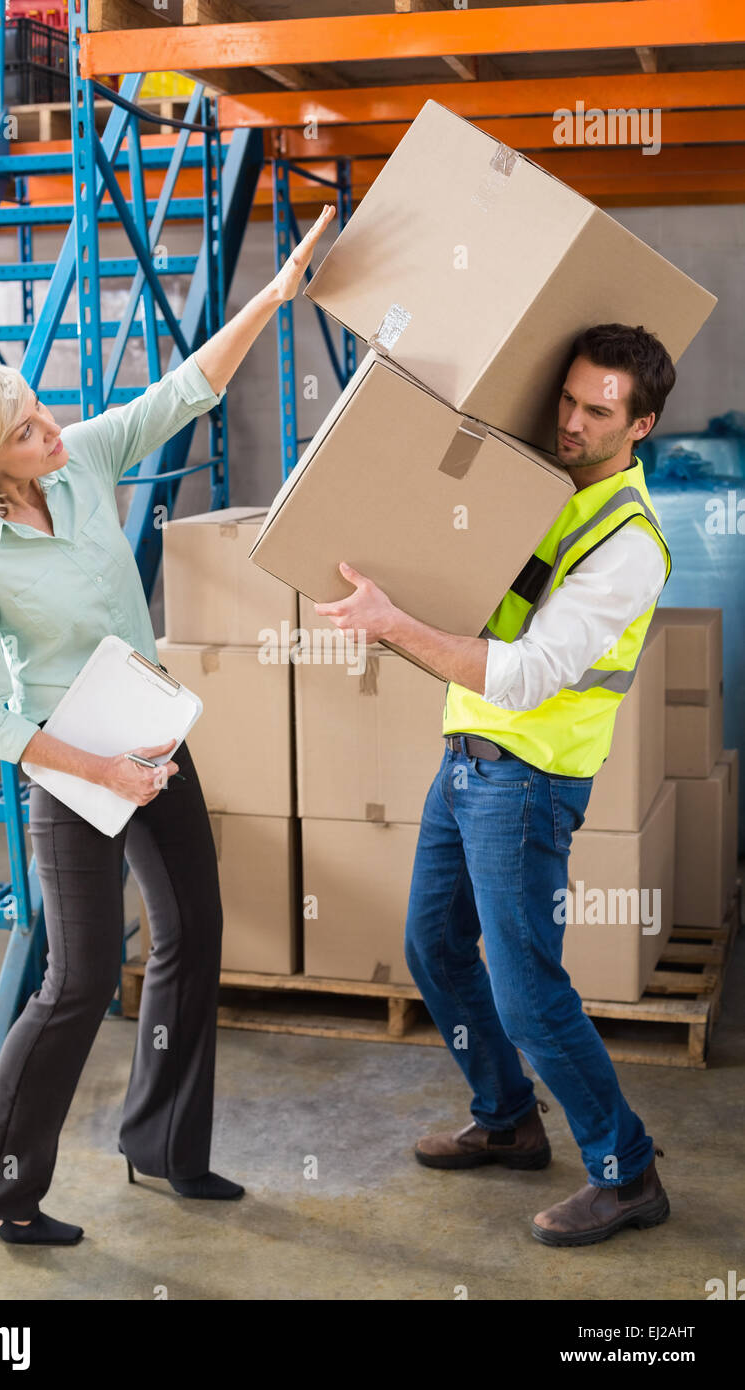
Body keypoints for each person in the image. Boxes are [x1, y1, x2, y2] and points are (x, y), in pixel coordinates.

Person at [0, 203, 337, 1246]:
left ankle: (162, 1146)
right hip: (67, 760)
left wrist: (270, 300)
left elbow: (180, 390)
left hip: (150, 734)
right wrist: (96, 765)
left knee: (194, 933)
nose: (49, 426)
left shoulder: (81, 461)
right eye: (24, 427)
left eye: (37, 406)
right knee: (81, 976)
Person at [314, 323, 674, 1247]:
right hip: (469, 757)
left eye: (599, 412)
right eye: (568, 400)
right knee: (434, 945)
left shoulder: (630, 543)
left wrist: (393, 625)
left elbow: (525, 674)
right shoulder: (547, 487)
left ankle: (625, 1171)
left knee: (527, 997)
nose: (572, 423)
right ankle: (509, 1115)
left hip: (528, 783)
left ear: (641, 427)